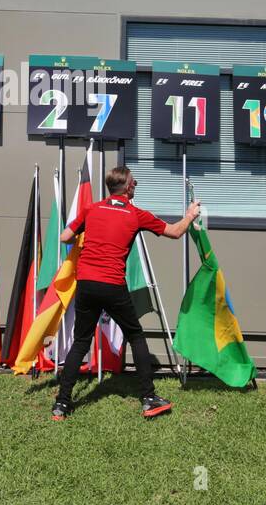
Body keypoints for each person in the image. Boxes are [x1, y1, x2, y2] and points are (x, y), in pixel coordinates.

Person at [51, 166, 201, 421]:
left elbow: (65, 237)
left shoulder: (92, 209)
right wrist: (190, 215)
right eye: (135, 183)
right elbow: (176, 232)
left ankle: (62, 404)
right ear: (128, 187)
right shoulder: (135, 214)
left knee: (80, 342)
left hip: (86, 282)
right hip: (112, 284)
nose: (136, 186)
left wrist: (87, 234)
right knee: (135, 335)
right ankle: (149, 398)